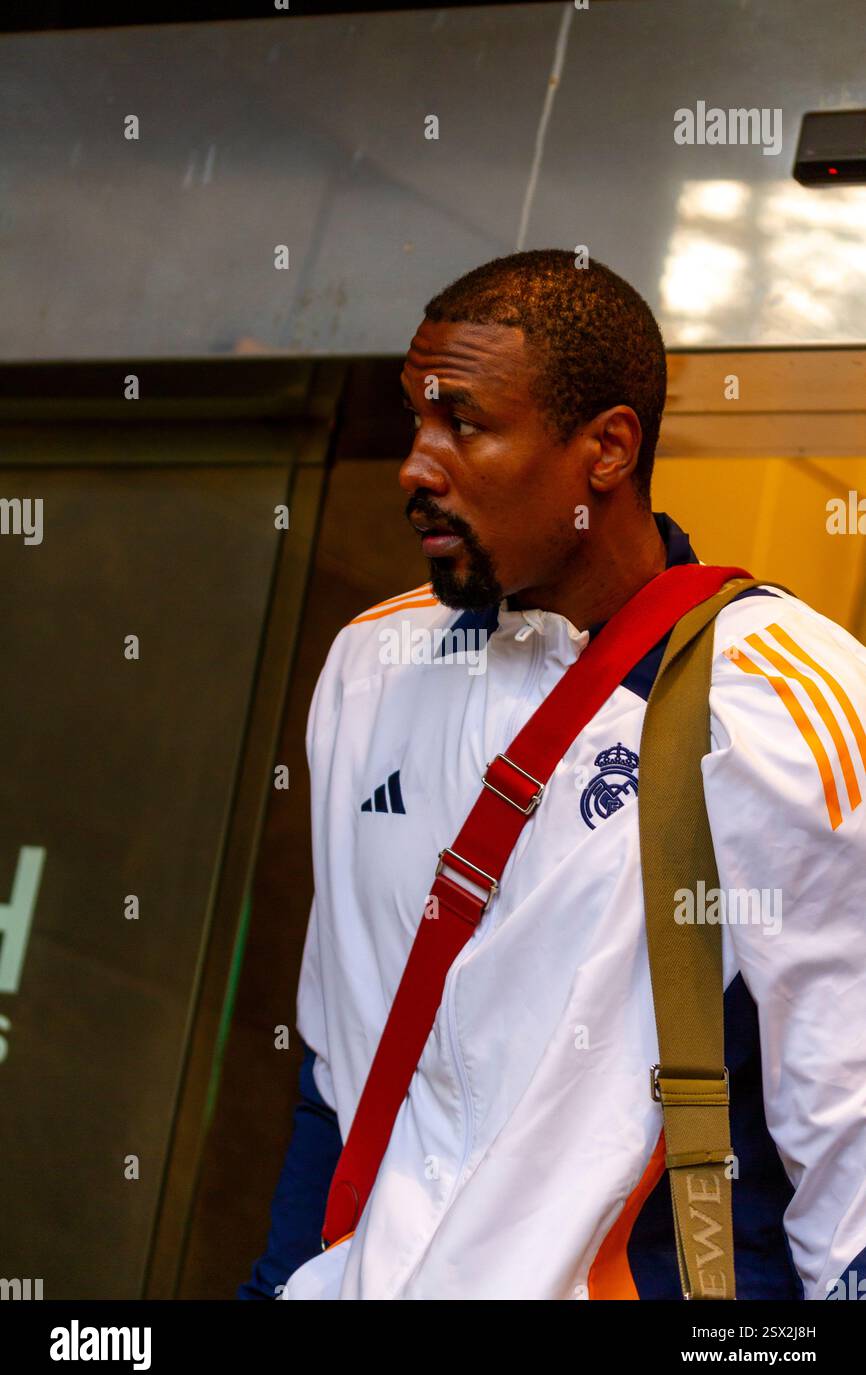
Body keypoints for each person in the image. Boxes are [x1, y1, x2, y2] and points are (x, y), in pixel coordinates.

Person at [238, 249, 866, 1301]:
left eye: (465, 424)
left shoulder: (774, 695)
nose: (415, 465)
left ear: (606, 449)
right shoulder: (368, 667)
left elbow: (845, 1159)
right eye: (412, 419)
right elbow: (337, 1081)